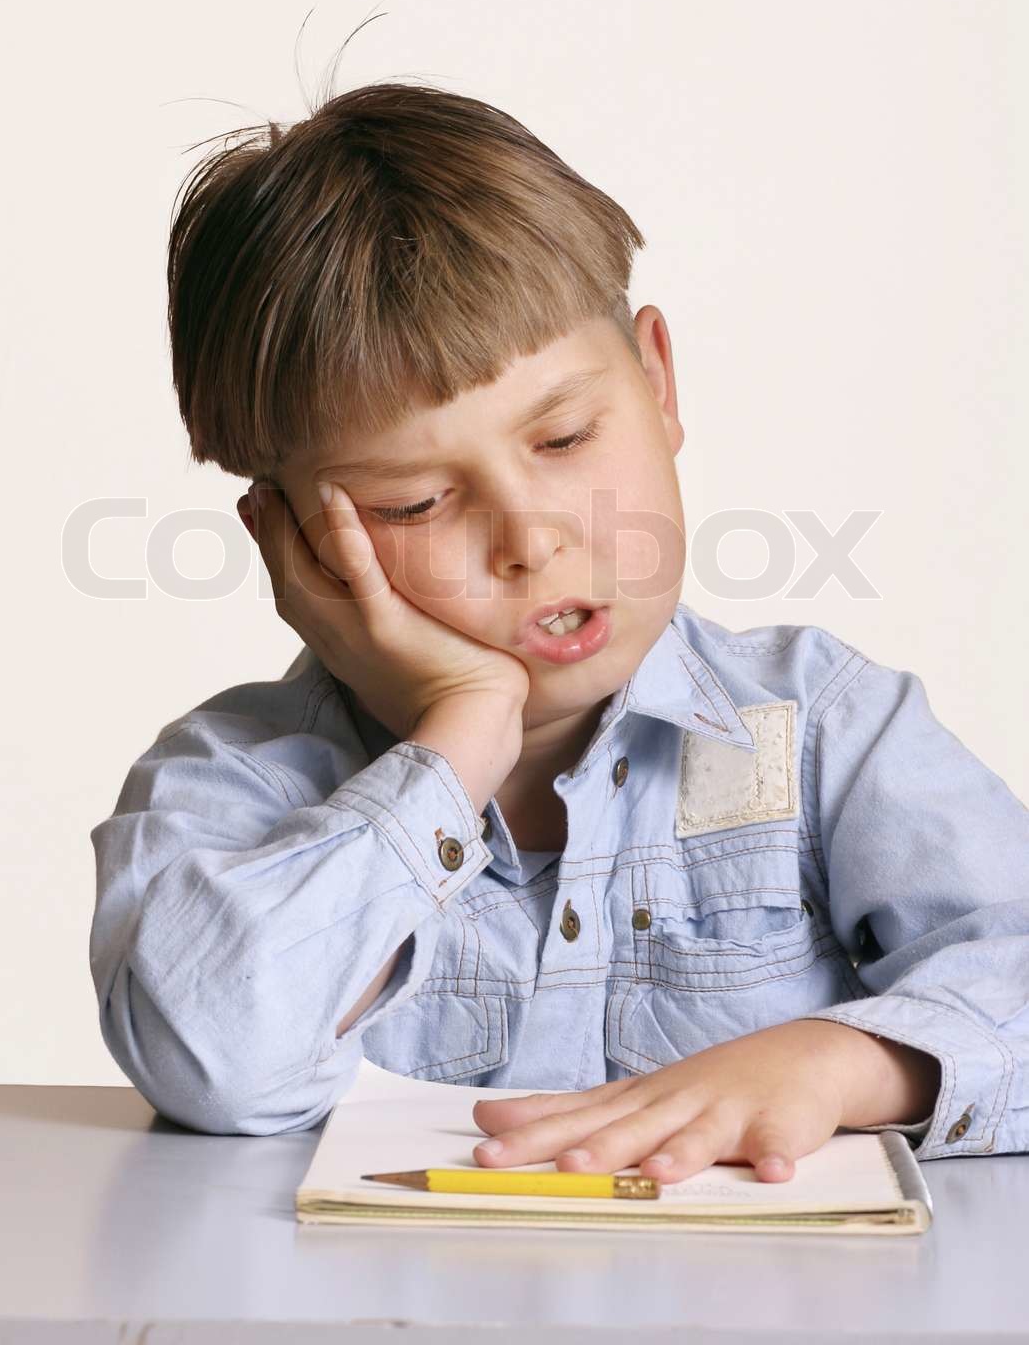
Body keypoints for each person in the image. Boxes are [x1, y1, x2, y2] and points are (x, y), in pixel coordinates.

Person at [89, 80, 1028, 1184]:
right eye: (412, 504)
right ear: (291, 540)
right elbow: (214, 1060)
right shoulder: (234, 786)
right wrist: (458, 741)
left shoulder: (819, 729)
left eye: (566, 436)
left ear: (657, 381)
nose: (527, 537)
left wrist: (842, 1060)